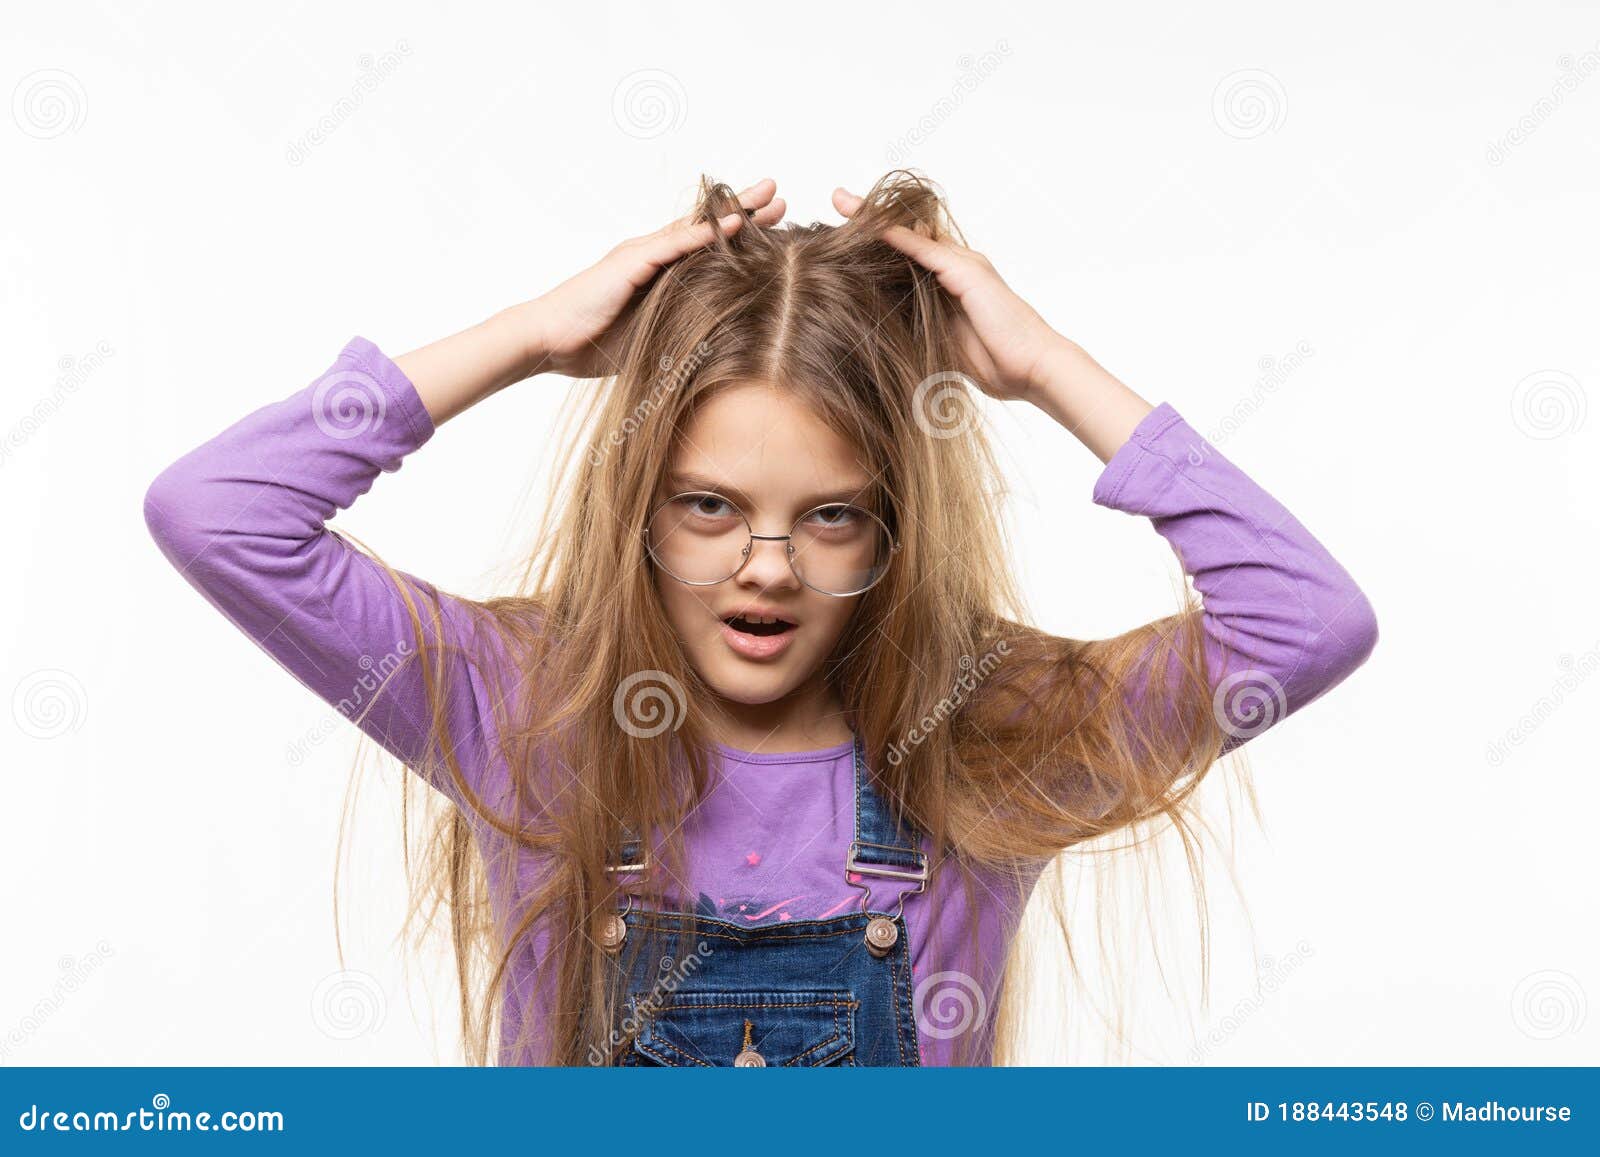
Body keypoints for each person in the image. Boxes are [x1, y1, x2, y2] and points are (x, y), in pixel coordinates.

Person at [143, 172, 1378, 1066]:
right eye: (709, 505)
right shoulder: (525, 702)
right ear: (639, 501)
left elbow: (1304, 621)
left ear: (897, 523)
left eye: (831, 515)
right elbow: (218, 514)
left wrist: (1046, 364)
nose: (766, 568)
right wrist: (528, 337)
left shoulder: (990, 732)